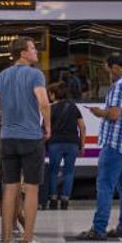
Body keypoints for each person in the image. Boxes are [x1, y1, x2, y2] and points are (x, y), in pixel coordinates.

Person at [0, 37, 51, 243]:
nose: (36, 52)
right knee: (31, 188)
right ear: (23, 53)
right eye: (33, 48)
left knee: (9, 188)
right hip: (31, 138)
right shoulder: (36, 75)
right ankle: (27, 239)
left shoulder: (1, 77)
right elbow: (44, 103)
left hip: (8, 138)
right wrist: (48, 126)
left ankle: (6, 239)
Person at [78, 53, 122, 240]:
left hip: (116, 143)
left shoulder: (120, 85)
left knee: (105, 186)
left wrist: (99, 112)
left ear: (115, 67)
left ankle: (98, 229)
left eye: (108, 69)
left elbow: (114, 114)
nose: (108, 73)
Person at [46, 82, 85, 210]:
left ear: (54, 94)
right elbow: (82, 127)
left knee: (53, 171)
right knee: (69, 172)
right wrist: (82, 145)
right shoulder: (74, 107)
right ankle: (65, 200)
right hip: (72, 143)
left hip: (55, 143)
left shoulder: (50, 108)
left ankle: (52, 199)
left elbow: (45, 128)